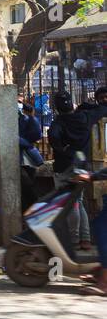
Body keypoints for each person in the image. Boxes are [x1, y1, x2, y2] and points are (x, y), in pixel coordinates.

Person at [48, 91, 93, 247]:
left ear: (57, 108)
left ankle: (73, 240)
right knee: (78, 201)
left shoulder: (58, 123)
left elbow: (53, 137)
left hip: (65, 167)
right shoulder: (84, 117)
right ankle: (85, 238)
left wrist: (64, 150)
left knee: (70, 203)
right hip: (83, 165)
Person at [18, 100, 44, 211]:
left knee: (28, 188)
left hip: (28, 159)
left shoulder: (27, 119)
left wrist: (32, 117)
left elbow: (37, 134)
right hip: (19, 159)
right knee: (25, 189)